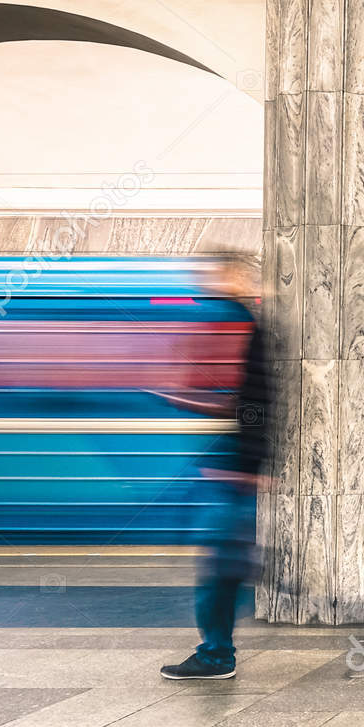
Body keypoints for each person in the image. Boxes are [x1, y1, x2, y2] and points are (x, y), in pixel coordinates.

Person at [157, 251, 273, 681]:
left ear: (237, 277)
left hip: (233, 463)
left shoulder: (237, 323)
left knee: (222, 563)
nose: (207, 281)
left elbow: (253, 402)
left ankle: (217, 654)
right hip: (231, 460)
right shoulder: (241, 322)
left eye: (216, 273)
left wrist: (249, 461)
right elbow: (247, 401)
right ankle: (216, 649)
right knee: (223, 560)